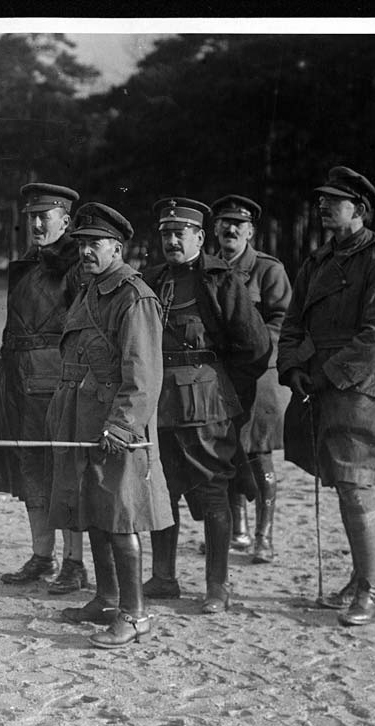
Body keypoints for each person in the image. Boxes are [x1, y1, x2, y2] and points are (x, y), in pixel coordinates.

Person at [278, 166, 375, 626]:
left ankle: (374, 588)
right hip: (322, 388)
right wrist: (293, 368)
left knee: (357, 489)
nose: (323, 206)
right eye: (321, 199)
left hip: (363, 390)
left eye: (333, 200)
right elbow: (293, 324)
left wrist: (325, 373)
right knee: (344, 487)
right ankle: (362, 578)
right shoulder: (317, 261)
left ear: (358, 210)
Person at [140, 197, 271, 614]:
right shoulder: (150, 279)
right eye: (165, 233)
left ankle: (217, 585)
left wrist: (228, 394)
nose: (172, 240)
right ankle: (164, 577)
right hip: (159, 402)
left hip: (207, 404)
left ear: (200, 236)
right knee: (162, 489)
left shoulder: (220, 279)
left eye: (180, 233)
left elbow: (254, 347)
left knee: (214, 492)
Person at [46, 202, 167, 648]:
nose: (85, 252)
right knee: (96, 510)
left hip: (117, 429)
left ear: (116, 246)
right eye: (80, 244)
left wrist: (121, 427)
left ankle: (135, 614)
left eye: (94, 243)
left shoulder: (134, 297)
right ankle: (107, 596)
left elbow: (143, 374)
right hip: (84, 420)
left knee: (121, 516)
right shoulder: (92, 291)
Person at [0, 182, 88, 594]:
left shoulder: (77, 265)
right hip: (18, 383)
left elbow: (84, 327)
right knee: (30, 472)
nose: (37, 223)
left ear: (66, 220)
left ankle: (74, 562)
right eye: (32, 216)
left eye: (46, 216)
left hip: (58, 386)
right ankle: (42, 556)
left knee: (64, 473)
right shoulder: (27, 264)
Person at [210, 194, 292, 563]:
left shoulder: (268, 270)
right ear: (214, 229)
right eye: (224, 223)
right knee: (227, 451)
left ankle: (265, 536)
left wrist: (250, 352)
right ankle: (238, 531)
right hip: (218, 378)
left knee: (258, 455)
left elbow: (283, 322)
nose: (230, 229)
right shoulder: (207, 268)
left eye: (238, 225)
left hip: (260, 375)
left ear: (250, 231)